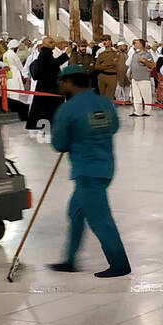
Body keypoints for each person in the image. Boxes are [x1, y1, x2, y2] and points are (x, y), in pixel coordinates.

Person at [48, 64, 131, 278]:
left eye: (61, 82)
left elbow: (59, 144)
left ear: (70, 82)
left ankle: (119, 264)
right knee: (75, 212)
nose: (59, 85)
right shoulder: (104, 102)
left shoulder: (68, 109)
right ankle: (69, 260)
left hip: (86, 172)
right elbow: (113, 128)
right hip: (105, 166)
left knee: (100, 219)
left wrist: (72, 138)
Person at [27, 40, 68, 132]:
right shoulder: (45, 54)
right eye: (51, 42)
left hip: (47, 85)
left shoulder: (46, 53)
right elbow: (54, 64)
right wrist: (66, 54)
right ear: (46, 44)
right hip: (48, 86)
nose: (54, 43)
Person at [127, 39, 155, 117]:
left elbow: (151, 65)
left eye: (136, 43)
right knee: (136, 96)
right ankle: (138, 111)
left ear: (141, 45)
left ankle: (147, 111)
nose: (135, 44)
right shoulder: (134, 54)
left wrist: (145, 61)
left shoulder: (147, 54)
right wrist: (130, 73)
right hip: (134, 77)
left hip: (144, 78)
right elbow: (132, 64)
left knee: (146, 95)